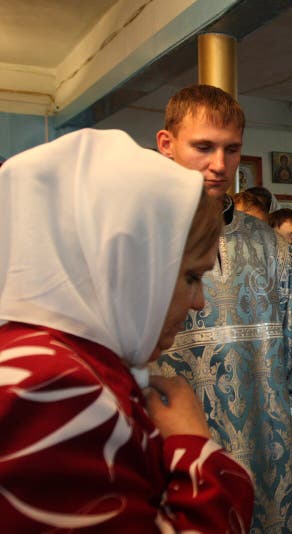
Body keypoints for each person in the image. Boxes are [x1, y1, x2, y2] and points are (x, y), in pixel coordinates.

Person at [0, 129, 254, 530]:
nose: (199, 301)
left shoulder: (48, 358)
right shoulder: (55, 392)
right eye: (190, 276)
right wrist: (194, 449)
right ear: (127, 268)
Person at [153, 85, 292, 533]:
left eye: (232, 150)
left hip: (270, 464)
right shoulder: (140, 238)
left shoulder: (270, 246)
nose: (220, 165)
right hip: (172, 460)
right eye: (203, 147)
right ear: (166, 144)